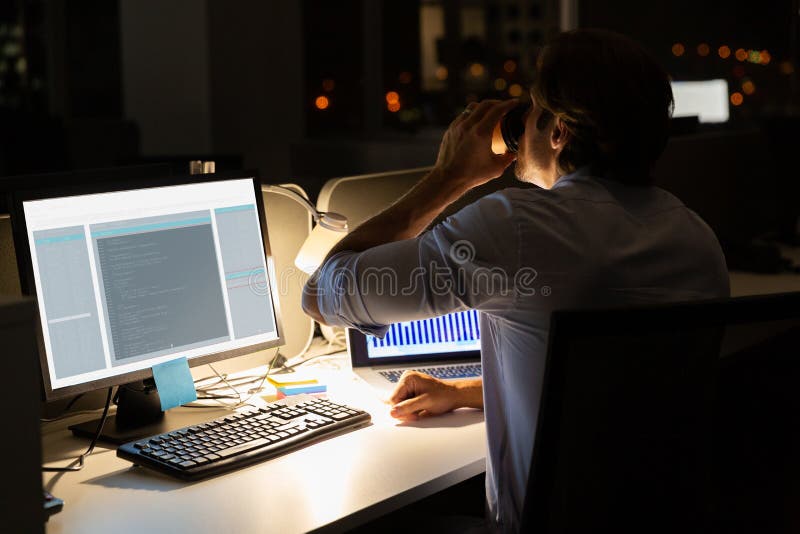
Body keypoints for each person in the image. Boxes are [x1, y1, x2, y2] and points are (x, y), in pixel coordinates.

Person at [302, 29, 730, 532]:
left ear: (559, 131)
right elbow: (615, 390)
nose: (520, 124)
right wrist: (466, 391)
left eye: (530, 109)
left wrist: (451, 176)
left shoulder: (519, 227)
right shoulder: (697, 240)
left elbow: (323, 295)